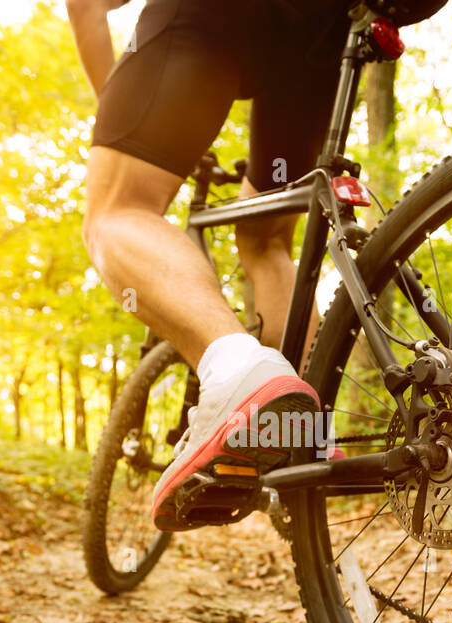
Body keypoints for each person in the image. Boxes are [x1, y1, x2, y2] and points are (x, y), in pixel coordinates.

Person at [65, 0, 351, 530]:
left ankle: (238, 369)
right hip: (323, 33)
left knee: (118, 208)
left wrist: (122, 112)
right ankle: (306, 434)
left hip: (211, 19)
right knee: (266, 241)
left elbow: (84, 6)